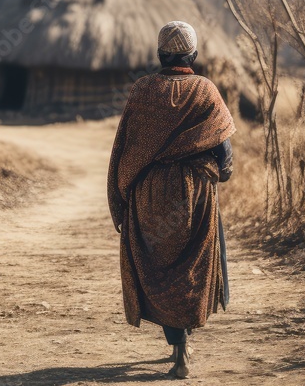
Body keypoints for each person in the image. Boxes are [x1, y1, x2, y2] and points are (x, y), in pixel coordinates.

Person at [107, 21, 235, 380]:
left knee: (157, 263)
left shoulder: (143, 90)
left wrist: (122, 192)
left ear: (160, 54)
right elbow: (224, 155)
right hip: (195, 192)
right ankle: (183, 347)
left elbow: (124, 147)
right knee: (192, 263)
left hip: (148, 191)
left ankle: (177, 342)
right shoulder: (205, 91)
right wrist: (217, 174)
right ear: (192, 56)